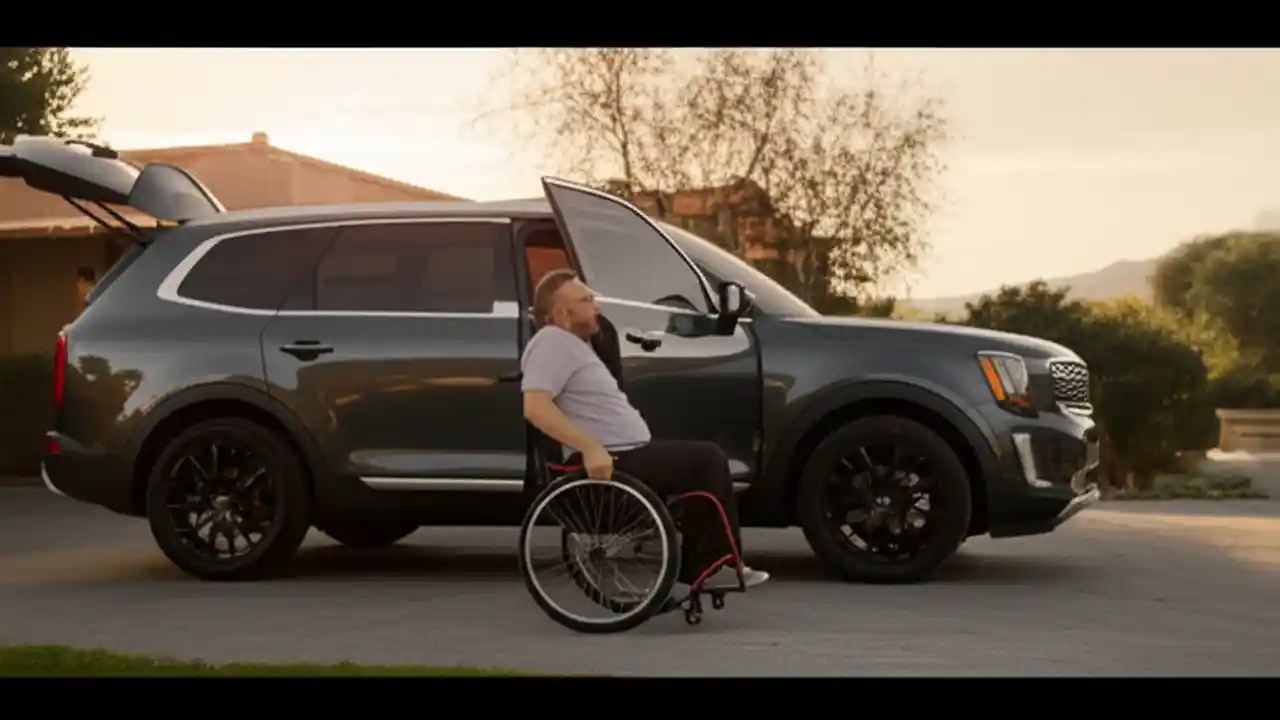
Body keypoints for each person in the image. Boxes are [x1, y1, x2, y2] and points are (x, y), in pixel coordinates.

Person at [520, 268, 769, 590]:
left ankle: (701, 563)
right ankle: (708, 565)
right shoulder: (551, 342)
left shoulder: (574, 345)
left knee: (699, 460)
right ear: (560, 312)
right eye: (586, 300)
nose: (596, 305)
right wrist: (589, 447)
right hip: (612, 462)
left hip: (626, 455)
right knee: (706, 459)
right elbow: (535, 407)